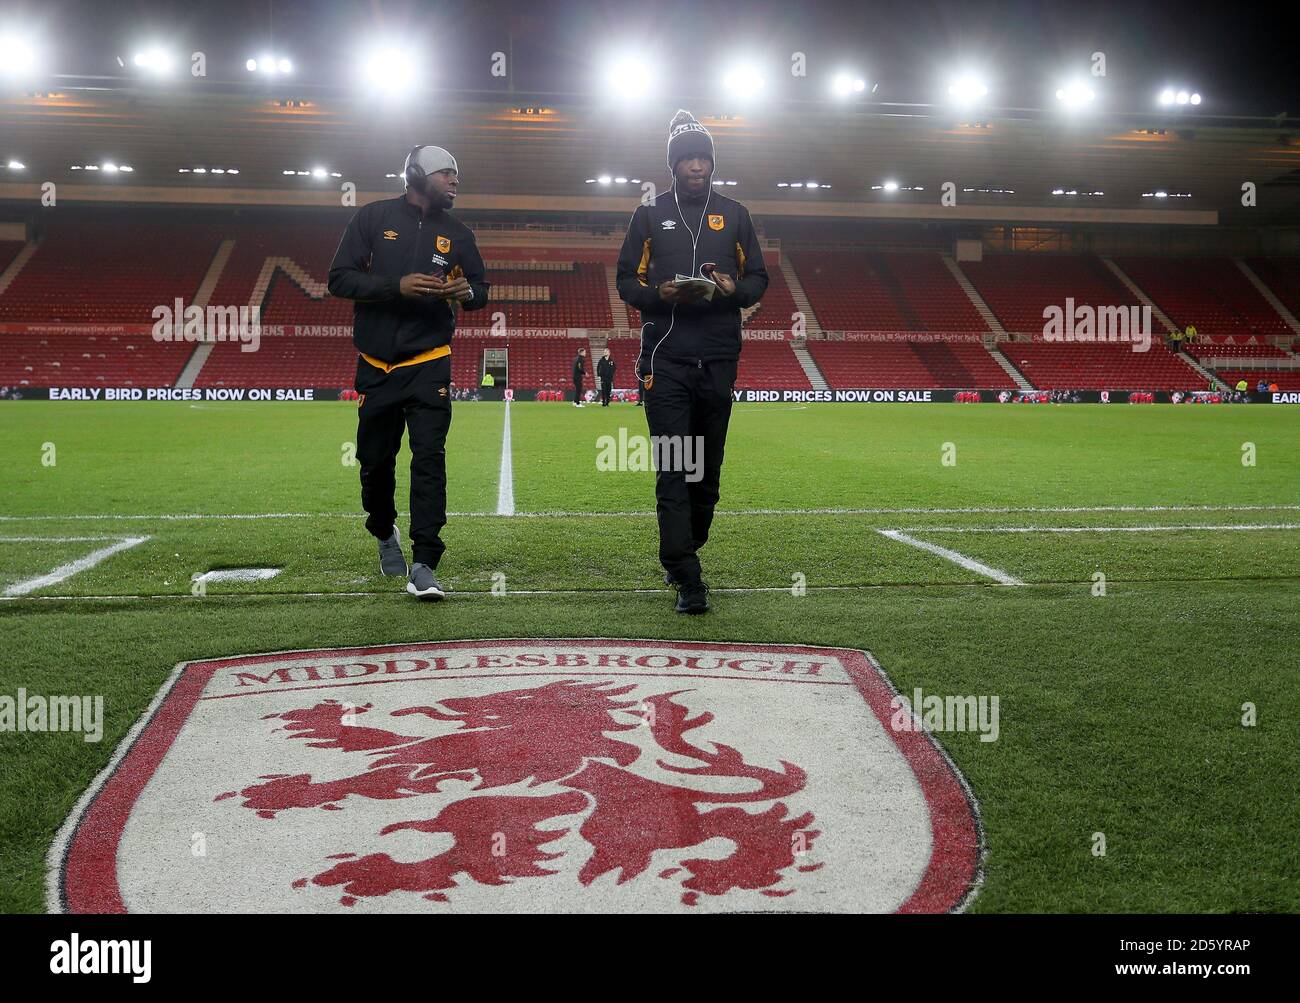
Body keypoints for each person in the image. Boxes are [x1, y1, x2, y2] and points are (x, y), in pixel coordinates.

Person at [616, 109, 768, 614]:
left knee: (707, 476)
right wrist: (659, 294)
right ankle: (686, 576)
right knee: (675, 469)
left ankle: (686, 548)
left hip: (719, 359)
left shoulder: (737, 215)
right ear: (673, 166)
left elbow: (759, 281)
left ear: (712, 164)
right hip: (666, 361)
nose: (696, 167)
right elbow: (625, 284)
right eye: (687, 160)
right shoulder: (648, 216)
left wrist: (730, 289)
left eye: (703, 159)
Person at [328, 144, 490, 601]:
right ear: (417, 175)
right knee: (374, 464)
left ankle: (425, 563)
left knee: (428, 460)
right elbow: (338, 278)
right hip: (377, 366)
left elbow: (482, 288)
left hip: (429, 363)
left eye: (457, 174)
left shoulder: (458, 233)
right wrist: (393, 286)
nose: (455, 181)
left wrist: (467, 292)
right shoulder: (373, 218)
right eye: (446, 173)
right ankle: (383, 531)